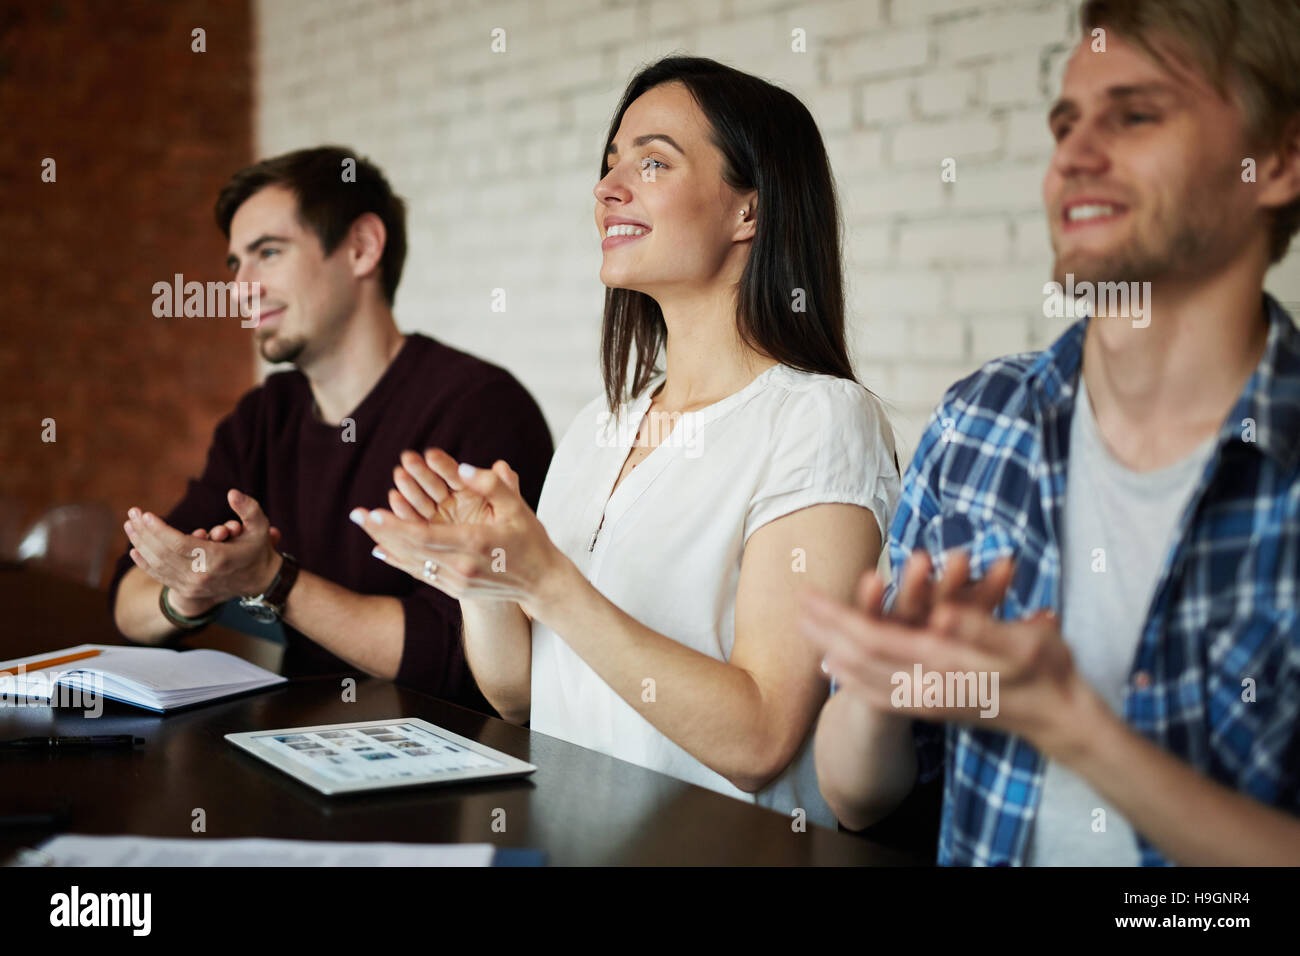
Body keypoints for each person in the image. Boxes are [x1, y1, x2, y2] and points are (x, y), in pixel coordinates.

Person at [799, 0, 1300, 865]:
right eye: (1065, 124)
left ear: (1280, 162)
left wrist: (1067, 721)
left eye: (1135, 116)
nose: (1074, 154)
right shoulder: (978, 420)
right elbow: (855, 792)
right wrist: (884, 689)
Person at [353, 57, 900, 827]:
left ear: (750, 211)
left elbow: (762, 737)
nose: (607, 189)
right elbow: (518, 695)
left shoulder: (821, 421)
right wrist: (485, 577)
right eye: (609, 164)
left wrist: (550, 584)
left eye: (651, 162)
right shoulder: (598, 425)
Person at [109, 146, 554, 715]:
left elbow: (465, 661)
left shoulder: (482, 407)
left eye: (267, 253)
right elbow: (128, 596)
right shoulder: (263, 418)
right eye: (234, 265)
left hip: (454, 773)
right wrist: (189, 591)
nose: (240, 288)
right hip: (294, 752)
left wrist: (272, 581)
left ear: (362, 247)